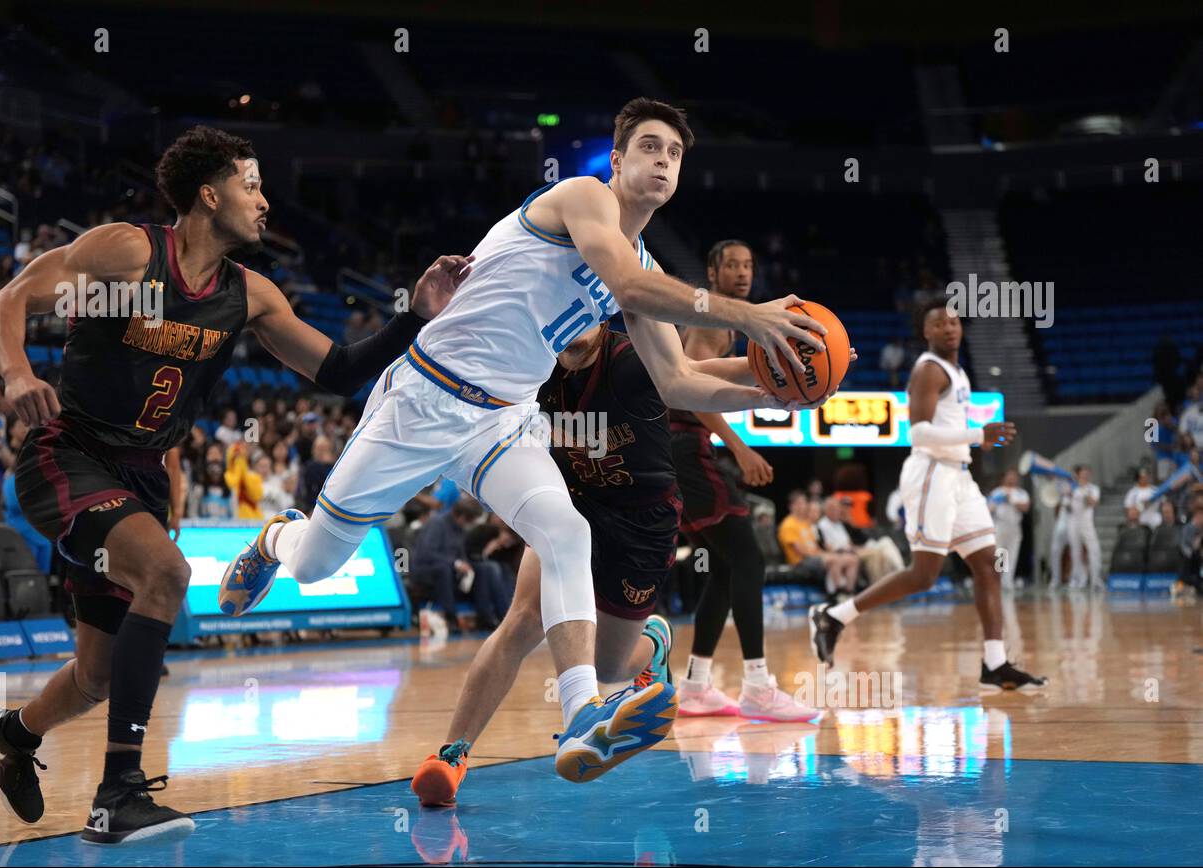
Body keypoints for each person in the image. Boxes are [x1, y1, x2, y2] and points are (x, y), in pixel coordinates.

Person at [220, 98, 831, 784]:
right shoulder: (581, 199)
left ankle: (581, 714)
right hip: (421, 398)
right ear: (619, 159)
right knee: (314, 568)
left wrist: (774, 387)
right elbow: (628, 284)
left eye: (675, 154)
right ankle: (277, 537)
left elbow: (680, 379)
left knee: (565, 530)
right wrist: (748, 317)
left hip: (502, 419)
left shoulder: (643, 261)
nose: (662, 161)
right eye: (649, 148)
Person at [0, 124, 473, 844]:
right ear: (209, 194)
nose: (266, 202)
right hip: (70, 456)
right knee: (170, 576)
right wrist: (18, 373)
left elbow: (336, 372)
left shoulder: (251, 296)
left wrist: (413, 317)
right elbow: (6, 303)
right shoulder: (126, 252)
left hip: (143, 477)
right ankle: (118, 794)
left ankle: (13, 734)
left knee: (98, 675)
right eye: (252, 184)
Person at [410, 310, 827, 805]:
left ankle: (654, 644)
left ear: (600, 317)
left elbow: (704, 373)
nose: (572, 332)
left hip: (642, 523)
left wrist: (786, 380)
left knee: (607, 665)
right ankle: (451, 757)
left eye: (581, 319)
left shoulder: (632, 362)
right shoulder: (530, 369)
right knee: (522, 620)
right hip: (567, 505)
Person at [808, 296, 1048, 692]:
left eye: (954, 321)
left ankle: (995, 662)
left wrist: (973, 443)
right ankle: (835, 616)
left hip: (959, 474)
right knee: (924, 575)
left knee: (988, 564)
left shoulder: (959, 371)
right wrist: (977, 435)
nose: (949, 328)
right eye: (939, 324)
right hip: (932, 473)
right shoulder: (928, 370)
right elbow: (917, 432)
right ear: (926, 332)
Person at [670, 239, 815, 720]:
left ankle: (694, 684)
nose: (741, 272)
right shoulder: (707, 321)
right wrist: (740, 447)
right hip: (684, 443)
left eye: (748, 265)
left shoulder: (734, 324)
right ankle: (757, 685)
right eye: (731, 265)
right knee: (749, 559)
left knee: (728, 567)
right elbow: (691, 393)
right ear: (712, 273)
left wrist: (821, 369)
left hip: (684, 447)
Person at [410, 496, 511, 631]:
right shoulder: (437, 523)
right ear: (462, 516)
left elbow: (461, 554)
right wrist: (456, 564)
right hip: (428, 570)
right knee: (444, 568)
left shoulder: (459, 528)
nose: (470, 524)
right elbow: (427, 554)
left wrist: (465, 564)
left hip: (450, 569)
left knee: (485, 568)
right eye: (469, 520)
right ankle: (451, 618)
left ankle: (491, 617)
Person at [778, 490, 860, 595]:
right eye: (799, 503)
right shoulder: (788, 524)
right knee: (834, 559)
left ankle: (849, 592)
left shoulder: (805, 523)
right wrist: (823, 555)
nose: (803, 506)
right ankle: (837, 594)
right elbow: (800, 551)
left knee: (852, 559)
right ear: (791, 506)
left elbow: (815, 546)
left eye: (804, 503)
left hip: (814, 557)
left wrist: (825, 553)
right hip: (800, 561)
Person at [988, 468, 1030, 590]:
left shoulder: (1021, 493)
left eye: (1014, 476)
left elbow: (1026, 507)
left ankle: (1008, 582)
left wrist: (1012, 501)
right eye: (1009, 476)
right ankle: (997, 581)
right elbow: (989, 508)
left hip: (1014, 527)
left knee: (1012, 554)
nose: (1012, 478)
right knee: (1000, 554)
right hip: (1000, 526)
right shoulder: (997, 492)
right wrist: (999, 500)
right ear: (1004, 478)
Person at [1067, 465, 1103, 590]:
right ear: (1078, 475)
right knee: (1075, 552)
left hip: (1087, 522)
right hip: (1073, 522)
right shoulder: (1072, 488)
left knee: (1095, 550)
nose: (1084, 475)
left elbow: (1093, 503)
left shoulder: (1093, 488)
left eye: (1087, 473)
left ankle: (1096, 580)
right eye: (1082, 473)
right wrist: (1070, 494)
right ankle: (1079, 580)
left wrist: (1084, 491)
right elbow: (1068, 507)